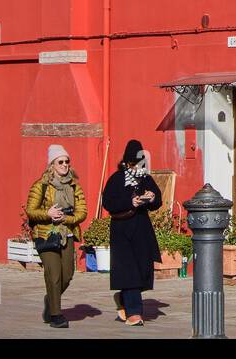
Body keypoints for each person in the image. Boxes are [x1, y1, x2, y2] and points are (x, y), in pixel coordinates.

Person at [25, 145, 87, 329]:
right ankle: (56, 315)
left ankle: (51, 300)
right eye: (60, 162)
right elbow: (30, 211)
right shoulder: (41, 185)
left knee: (67, 275)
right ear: (52, 164)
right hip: (47, 234)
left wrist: (67, 218)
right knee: (54, 275)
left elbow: (82, 211)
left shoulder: (74, 185)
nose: (65, 165)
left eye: (67, 161)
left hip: (67, 233)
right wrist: (48, 213)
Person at [102, 139, 162, 326]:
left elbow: (158, 200)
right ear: (126, 163)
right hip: (122, 230)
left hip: (142, 229)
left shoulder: (146, 178)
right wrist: (131, 202)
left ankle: (123, 298)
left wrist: (151, 198)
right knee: (129, 272)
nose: (136, 167)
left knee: (143, 271)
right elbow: (108, 203)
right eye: (133, 164)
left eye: (138, 163)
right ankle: (134, 313)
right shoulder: (117, 179)